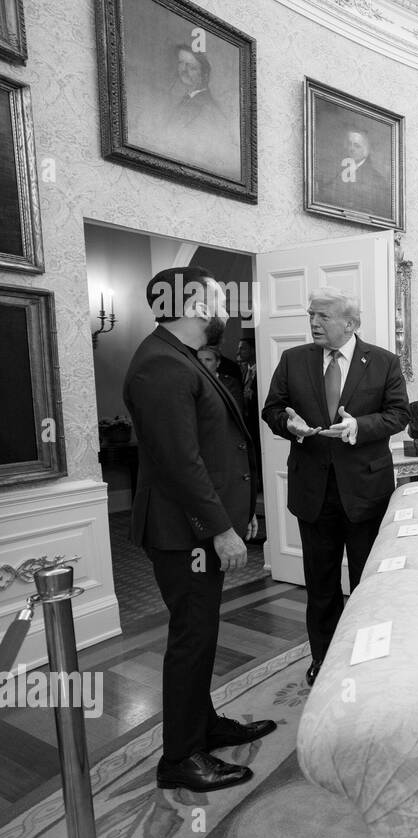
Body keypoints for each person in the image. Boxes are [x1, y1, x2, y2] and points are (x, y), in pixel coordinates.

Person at [123, 266, 273, 793]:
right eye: (218, 300)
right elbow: (179, 463)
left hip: (199, 528)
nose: (227, 310)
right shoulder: (160, 365)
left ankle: (203, 726)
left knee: (203, 633)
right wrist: (220, 530)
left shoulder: (180, 358)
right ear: (194, 304)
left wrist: (240, 511)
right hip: (181, 533)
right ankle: (180, 758)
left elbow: (216, 446)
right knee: (191, 639)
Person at [261, 288, 410, 686]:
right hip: (314, 492)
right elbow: (271, 409)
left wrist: (360, 427)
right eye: (311, 314)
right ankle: (323, 660)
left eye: (323, 316)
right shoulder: (294, 360)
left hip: (365, 491)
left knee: (367, 583)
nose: (313, 322)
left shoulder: (382, 362)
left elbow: (399, 415)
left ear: (350, 323)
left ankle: (367, 660)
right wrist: (288, 425)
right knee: (321, 585)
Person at [323, 130, 387, 212]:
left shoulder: (377, 179)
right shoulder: (342, 170)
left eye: (357, 146)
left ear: (366, 151)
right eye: (350, 144)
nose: (351, 149)